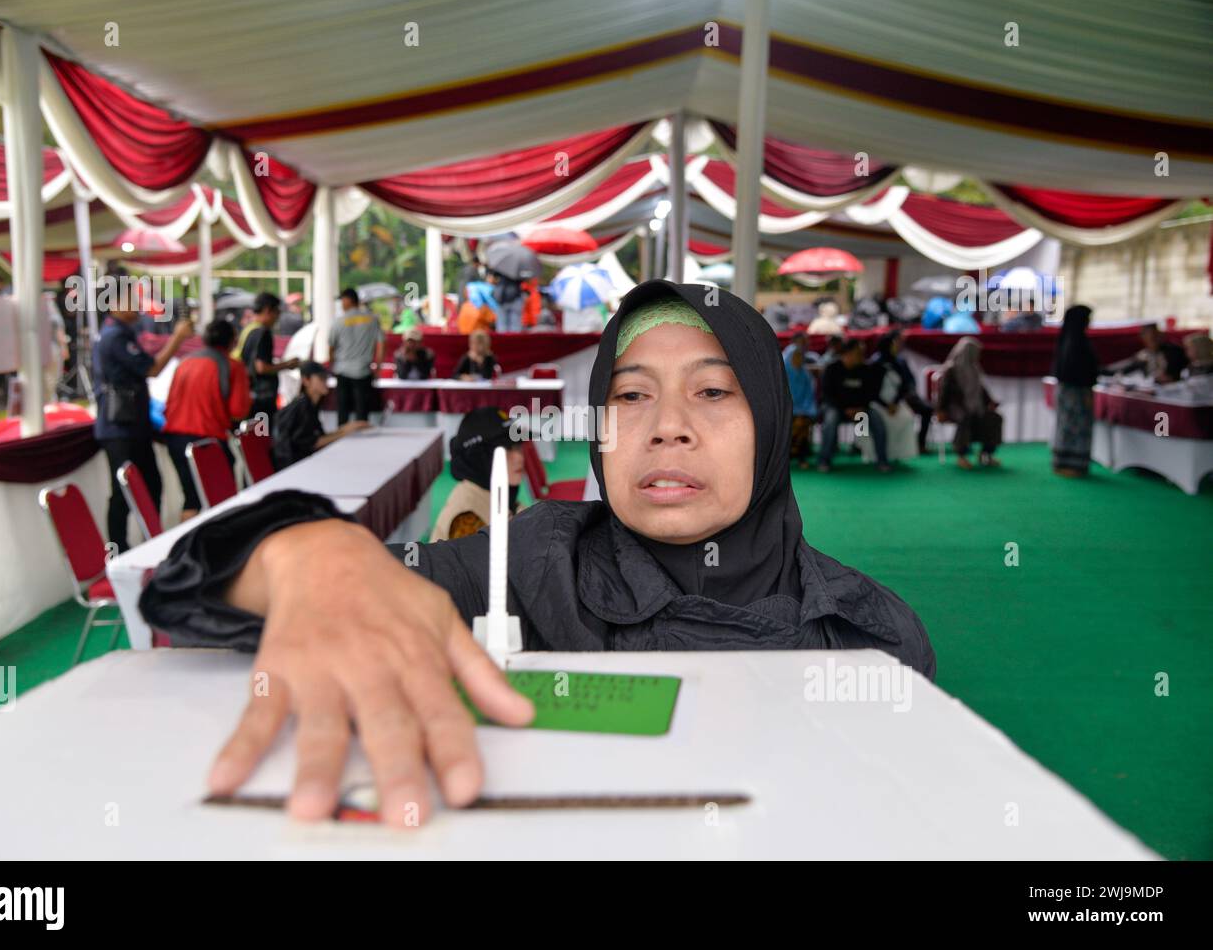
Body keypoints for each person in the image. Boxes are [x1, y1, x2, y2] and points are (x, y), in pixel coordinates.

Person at [138, 280, 935, 826]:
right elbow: (188, 592)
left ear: (768, 417)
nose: (666, 425)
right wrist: (305, 555)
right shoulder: (529, 566)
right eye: (630, 394)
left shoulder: (867, 639)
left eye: (713, 391)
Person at [94, 294, 193, 552]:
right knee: (124, 491)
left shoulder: (121, 333)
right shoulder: (115, 336)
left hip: (131, 426)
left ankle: (149, 541)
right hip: (120, 428)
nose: (136, 307)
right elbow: (152, 369)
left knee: (149, 484)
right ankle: (119, 550)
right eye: (128, 301)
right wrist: (178, 338)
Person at [162, 320, 253, 520]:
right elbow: (238, 411)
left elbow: (169, 404)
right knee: (223, 498)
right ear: (232, 341)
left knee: (191, 499)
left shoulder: (185, 362)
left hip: (175, 439)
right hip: (207, 441)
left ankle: (188, 548)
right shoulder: (232, 367)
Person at [431, 407, 525, 541]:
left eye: (518, 446)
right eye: (505, 449)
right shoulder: (467, 521)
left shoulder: (496, 495)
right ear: (479, 457)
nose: (519, 457)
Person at [270, 362, 370, 470]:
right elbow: (312, 443)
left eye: (326, 378)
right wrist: (345, 432)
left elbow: (316, 438)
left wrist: (347, 428)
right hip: (294, 467)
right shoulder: (302, 407)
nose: (325, 382)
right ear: (306, 380)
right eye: (321, 378)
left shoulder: (310, 405)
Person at [817, 338, 891, 473]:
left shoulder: (865, 369)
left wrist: (860, 408)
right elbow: (828, 395)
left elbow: (871, 393)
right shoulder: (832, 369)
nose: (862, 355)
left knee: (877, 420)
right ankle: (824, 460)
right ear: (848, 353)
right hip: (837, 408)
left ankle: (882, 461)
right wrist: (845, 409)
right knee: (831, 419)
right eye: (859, 352)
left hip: (861, 409)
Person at [936, 336, 1002, 469]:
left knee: (994, 418)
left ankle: (986, 453)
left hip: (974, 405)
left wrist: (991, 402)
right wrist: (940, 410)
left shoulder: (975, 369)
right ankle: (961, 455)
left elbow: (981, 390)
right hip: (955, 406)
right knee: (965, 417)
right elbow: (944, 393)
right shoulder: (951, 370)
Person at [1050, 305, 1098, 478]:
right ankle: (1070, 463)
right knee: (1074, 427)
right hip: (1076, 391)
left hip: (1067, 390)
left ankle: (1065, 462)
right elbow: (1081, 371)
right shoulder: (1077, 342)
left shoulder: (1067, 339)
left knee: (1066, 426)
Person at [241, 293, 301, 421]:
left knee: (254, 435)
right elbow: (261, 367)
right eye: (277, 312)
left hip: (250, 392)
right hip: (262, 396)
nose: (278, 317)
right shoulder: (263, 332)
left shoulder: (249, 329)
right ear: (268, 310)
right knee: (263, 435)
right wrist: (287, 365)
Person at [328, 287, 384, 425]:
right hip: (363, 372)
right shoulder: (372, 319)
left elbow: (331, 348)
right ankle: (363, 443)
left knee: (343, 413)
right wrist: (378, 366)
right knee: (362, 413)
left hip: (342, 371)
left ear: (349, 300)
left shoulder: (338, 321)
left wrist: (332, 366)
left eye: (342, 300)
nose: (341, 304)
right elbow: (382, 344)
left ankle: (340, 442)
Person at [872, 329, 933, 453]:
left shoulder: (900, 361)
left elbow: (908, 382)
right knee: (860, 415)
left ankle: (919, 444)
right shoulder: (874, 363)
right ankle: (858, 445)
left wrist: (899, 399)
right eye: (896, 342)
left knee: (922, 411)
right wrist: (886, 404)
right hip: (877, 402)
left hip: (901, 398)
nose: (898, 345)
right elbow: (871, 390)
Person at [1103, 323, 1188, 384]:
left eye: (1156, 335)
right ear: (1142, 337)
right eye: (1150, 337)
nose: (1154, 339)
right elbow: (1123, 368)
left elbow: (1175, 376)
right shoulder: (1143, 355)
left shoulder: (1174, 352)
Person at [781, 332, 817, 468]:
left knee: (803, 421)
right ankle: (792, 455)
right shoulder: (781, 374)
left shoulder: (806, 375)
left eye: (800, 356)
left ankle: (798, 455)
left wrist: (806, 412)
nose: (798, 359)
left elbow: (810, 397)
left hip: (803, 410)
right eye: (795, 356)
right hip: (785, 410)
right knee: (795, 422)